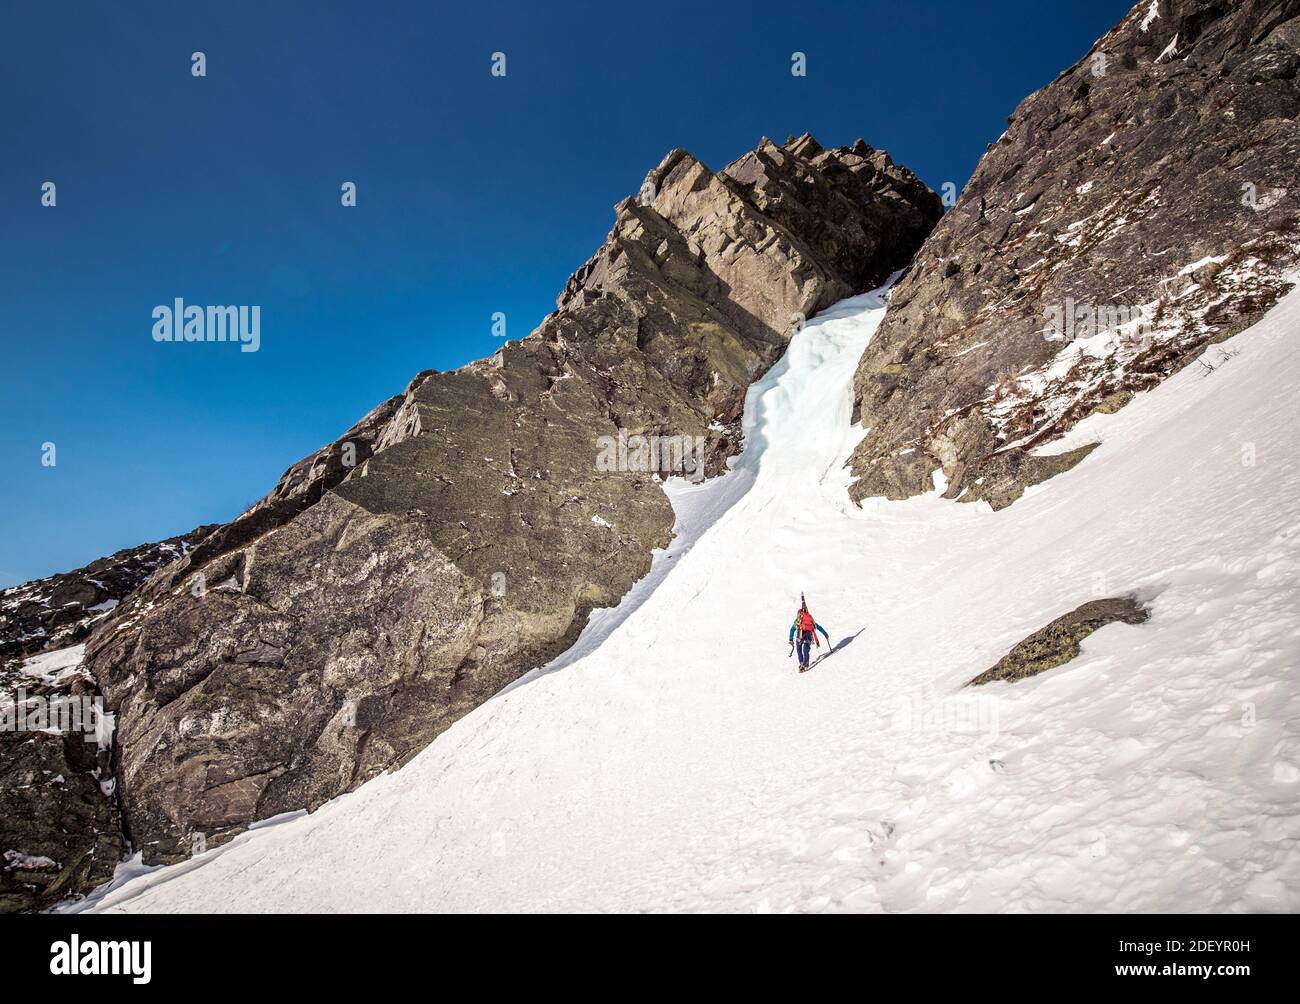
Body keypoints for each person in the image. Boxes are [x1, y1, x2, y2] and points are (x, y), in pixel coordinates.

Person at [788, 598, 829, 672]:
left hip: (799, 636)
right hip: (808, 635)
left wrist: (790, 639)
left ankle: (802, 663)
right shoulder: (810, 620)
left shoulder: (798, 621)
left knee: (799, 649)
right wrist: (826, 635)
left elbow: (792, 629)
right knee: (805, 650)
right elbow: (819, 627)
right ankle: (805, 664)